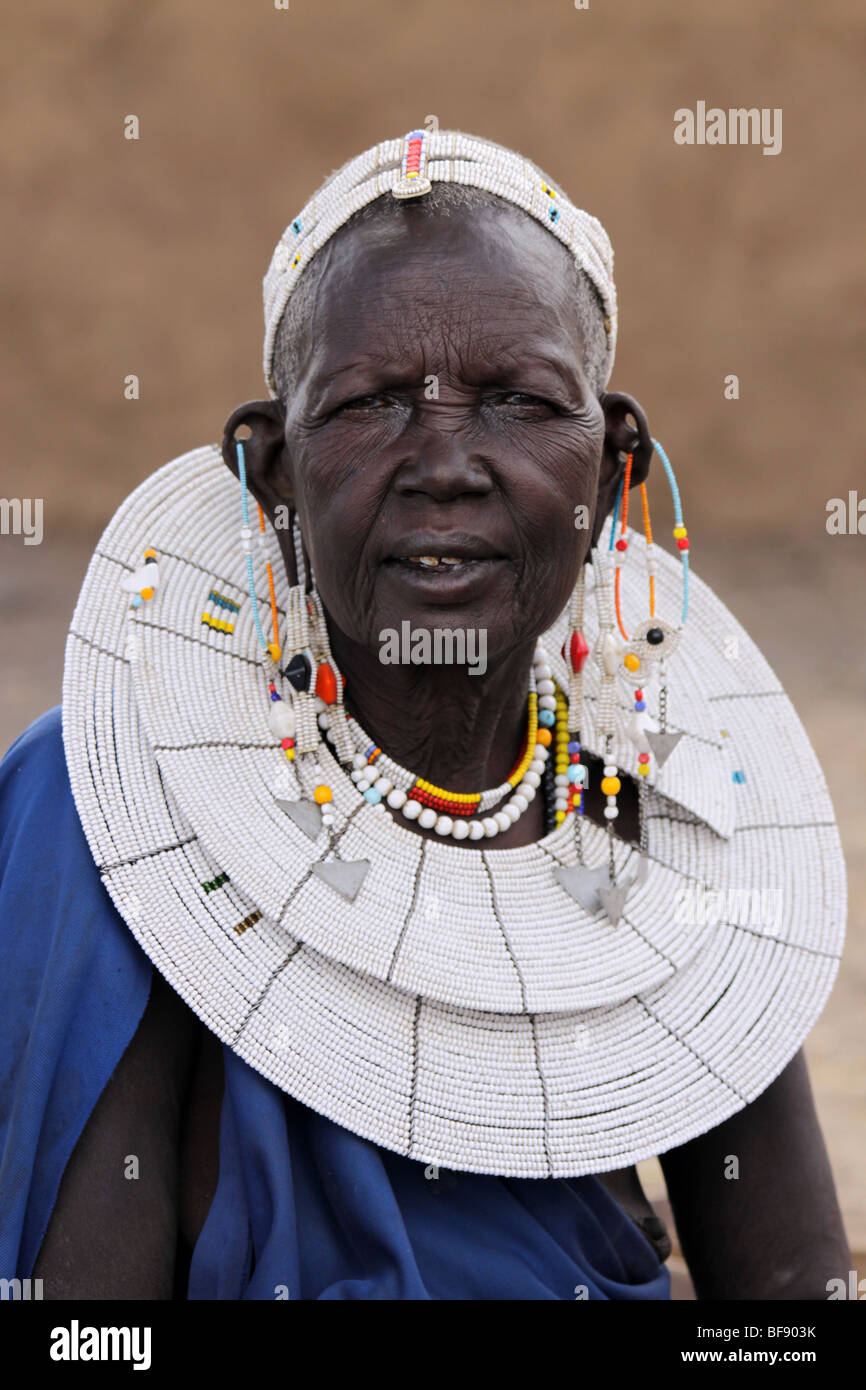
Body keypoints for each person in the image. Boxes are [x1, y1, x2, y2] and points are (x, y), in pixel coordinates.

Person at [0, 127, 850, 1300]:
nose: (443, 461)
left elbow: (784, 1306)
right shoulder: (128, 803)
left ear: (609, 472)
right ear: (274, 473)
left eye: (515, 400)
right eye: (369, 404)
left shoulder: (660, 811)